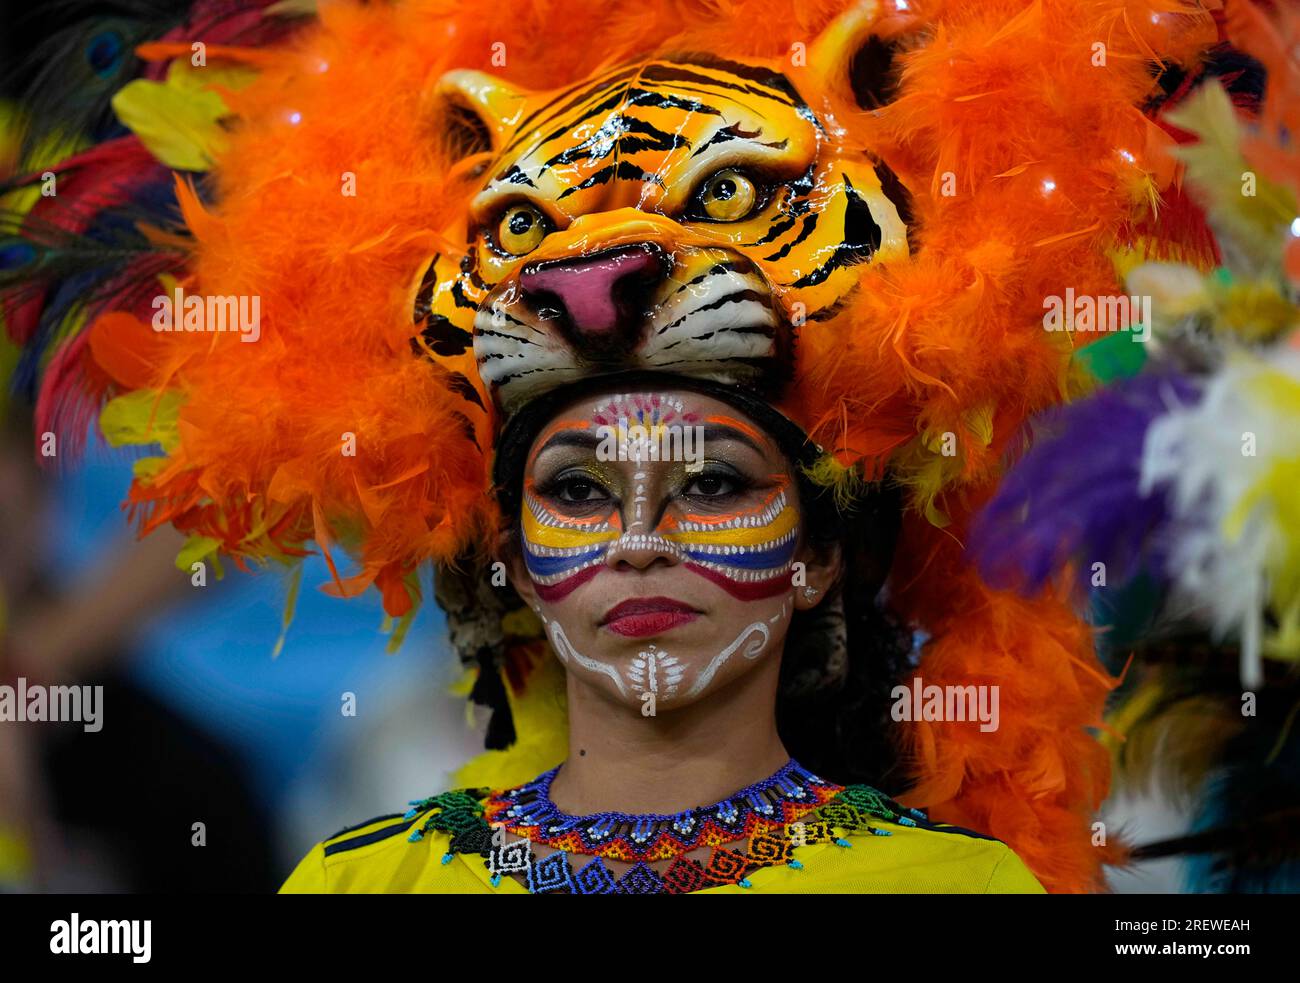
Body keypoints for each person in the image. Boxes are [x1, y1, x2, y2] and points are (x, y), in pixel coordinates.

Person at [2, 0, 1229, 894]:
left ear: (815, 558)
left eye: (711, 484)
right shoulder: (356, 877)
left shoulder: (950, 886)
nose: (640, 539)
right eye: (579, 491)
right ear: (521, 563)